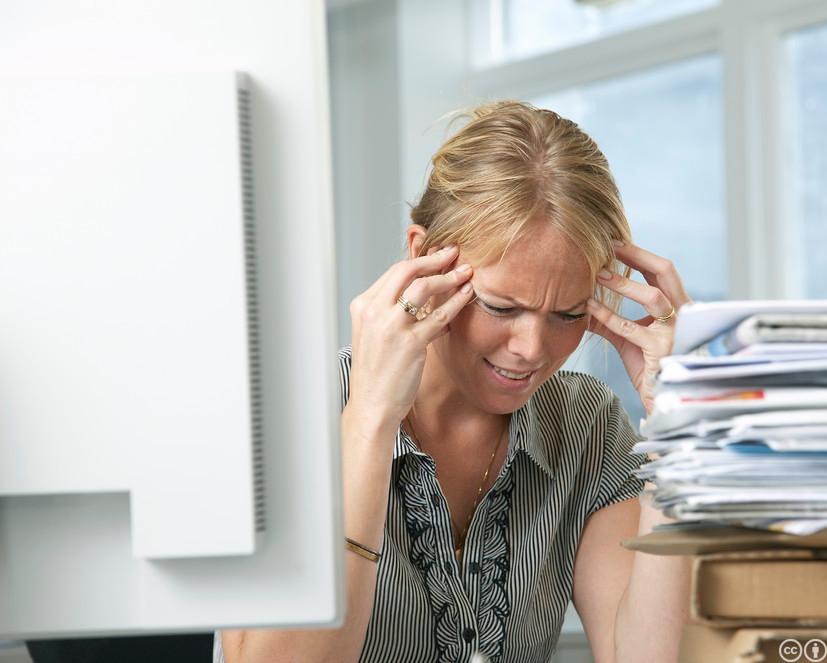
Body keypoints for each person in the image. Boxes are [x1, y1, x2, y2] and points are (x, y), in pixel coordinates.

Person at [220, 101, 691, 663]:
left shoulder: (586, 425)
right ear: (424, 257)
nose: (531, 349)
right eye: (500, 306)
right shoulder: (290, 413)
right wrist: (370, 419)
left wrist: (679, 425)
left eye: (568, 314)